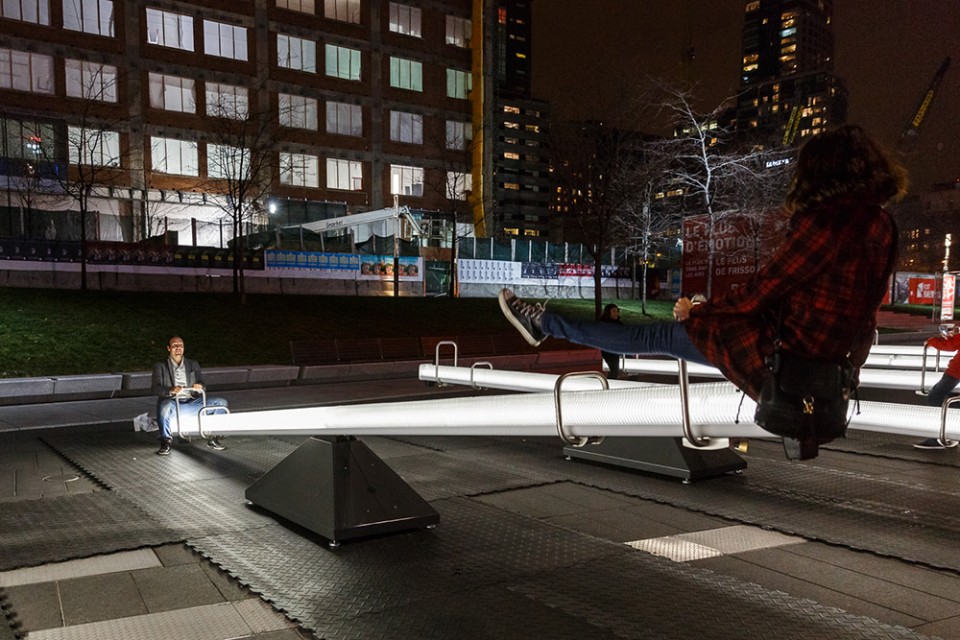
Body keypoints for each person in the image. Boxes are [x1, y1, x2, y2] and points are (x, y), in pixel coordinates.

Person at [499, 124, 906, 423]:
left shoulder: (826, 224)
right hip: (824, 359)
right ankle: (546, 322)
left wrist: (700, 315)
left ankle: (544, 322)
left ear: (820, 172)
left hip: (781, 353)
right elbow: (867, 310)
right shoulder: (883, 225)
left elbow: (763, 290)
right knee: (660, 332)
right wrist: (850, 367)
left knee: (652, 335)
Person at [151, 336, 228, 456]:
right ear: (168, 348)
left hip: (191, 401)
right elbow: (155, 388)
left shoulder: (192, 364)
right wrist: (171, 390)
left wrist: (200, 387)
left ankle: (213, 437)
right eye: (175, 345)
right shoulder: (160, 366)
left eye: (180, 345)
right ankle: (165, 441)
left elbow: (203, 384)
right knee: (165, 406)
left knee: (221, 403)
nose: (178, 348)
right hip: (173, 402)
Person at [914, 325, 960, 450]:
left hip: (956, 371)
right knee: (948, 399)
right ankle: (951, 432)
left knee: (935, 397)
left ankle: (937, 437)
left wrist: (931, 341)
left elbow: (951, 345)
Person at [599, 304, 624, 378]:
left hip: (615, 349)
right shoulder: (604, 323)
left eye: (617, 311)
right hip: (608, 349)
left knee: (615, 370)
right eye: (613, 311)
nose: (616, 313)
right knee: (614, 370)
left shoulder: (619, 323)